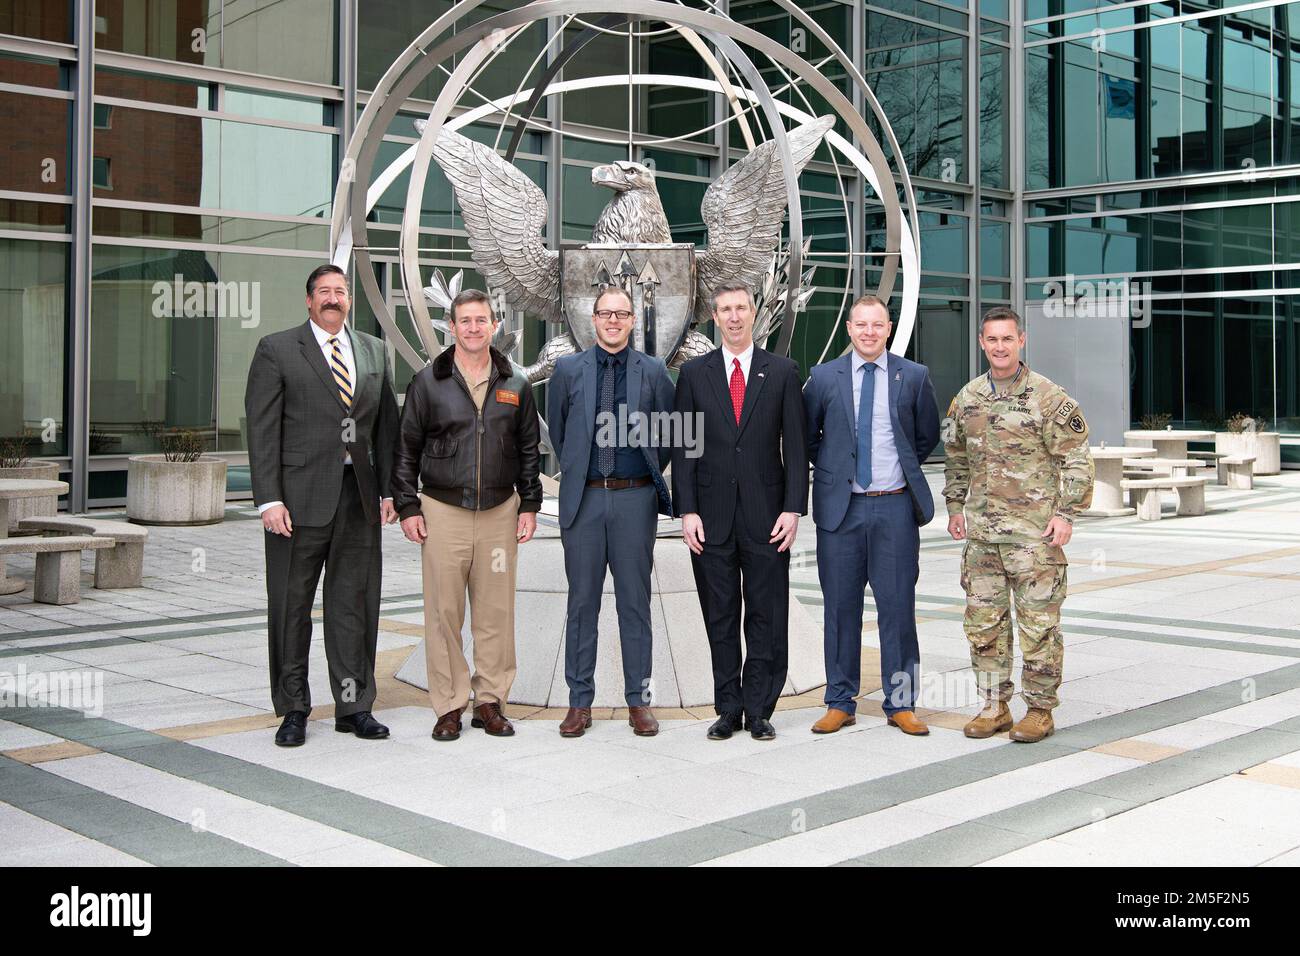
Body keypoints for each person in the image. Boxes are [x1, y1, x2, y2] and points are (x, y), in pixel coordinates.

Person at [244, 264, 400, 747]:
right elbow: (263, 428)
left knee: (353, 605)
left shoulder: (373, 350)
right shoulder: (277, 349)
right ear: (309, 301)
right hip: (296, 502)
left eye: (341, 291)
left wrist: (392, 491)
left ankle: (354, 706)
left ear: (348, 300)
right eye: (324, 292)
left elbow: (386, 429)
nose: (333, 298)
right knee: (291, 606)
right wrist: (269, 498)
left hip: (358, 500)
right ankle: (293, 708)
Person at [391, 289, 541, 741]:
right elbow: (405, 449)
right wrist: (407, 505)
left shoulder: (515, 382)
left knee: (495, 614)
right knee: (443, 613)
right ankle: (450, 705)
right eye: (465, 321)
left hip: (499, 511)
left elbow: (529, 450)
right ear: (452, 327)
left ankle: (490, 702)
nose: (474, 328)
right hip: (442, 511)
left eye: (482, 320)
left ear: (494, 326)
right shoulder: (426, 382)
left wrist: (529, 504)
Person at [943, 306, 1094, 743]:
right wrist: (955, 506)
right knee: (984, 623)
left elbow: (1078, 461)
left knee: (1038, 627)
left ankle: (1040, 710)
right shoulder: (968, 397)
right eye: (992, 339)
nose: (999, 347)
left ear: (1021, 341)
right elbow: (955, 457)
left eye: (1007, 338)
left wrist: (1066, 515)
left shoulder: (1049, 397)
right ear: (981, 342)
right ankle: (994, 706)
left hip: (1035, 540)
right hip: (983, 541)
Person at [671, 281, 808, 741]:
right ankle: (728, 708)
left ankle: (760, 707)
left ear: (754, 313)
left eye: (741, 308)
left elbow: (797, 444)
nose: (734, 317)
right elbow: (685, 447)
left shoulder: (783, 371)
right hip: (710, 519)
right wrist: (686, 510)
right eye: (725, 309)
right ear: (714, 317)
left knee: (767, 614)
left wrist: (793, 509)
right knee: (721, 614)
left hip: (768, 517)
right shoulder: (694, 374)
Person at [804, 295, 940, 736]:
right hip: (841, 512)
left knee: (897, 608)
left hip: (894, 507)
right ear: (849, 328)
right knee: (840, 609)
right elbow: (809, 439)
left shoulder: (913, 376)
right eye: (860, 324)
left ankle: (901, 703)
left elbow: (924, 437)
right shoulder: (823, 377)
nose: (868, 332)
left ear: (888, 328)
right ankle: (839, 701)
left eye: (876, 324)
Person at [547, 286, 675, 738]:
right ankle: (579, 703)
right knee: (581, 603)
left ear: (633, 320)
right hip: (583, 500)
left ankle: (639, 701)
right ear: (593, 318)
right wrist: (584, 474)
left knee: (634, 604)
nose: (614, 321)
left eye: (622, 314)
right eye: (606, 313)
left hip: (634, 499)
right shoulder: (566, 371)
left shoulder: (655, 372)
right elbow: (561, 437)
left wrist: (639, 478)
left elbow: (669, 434)